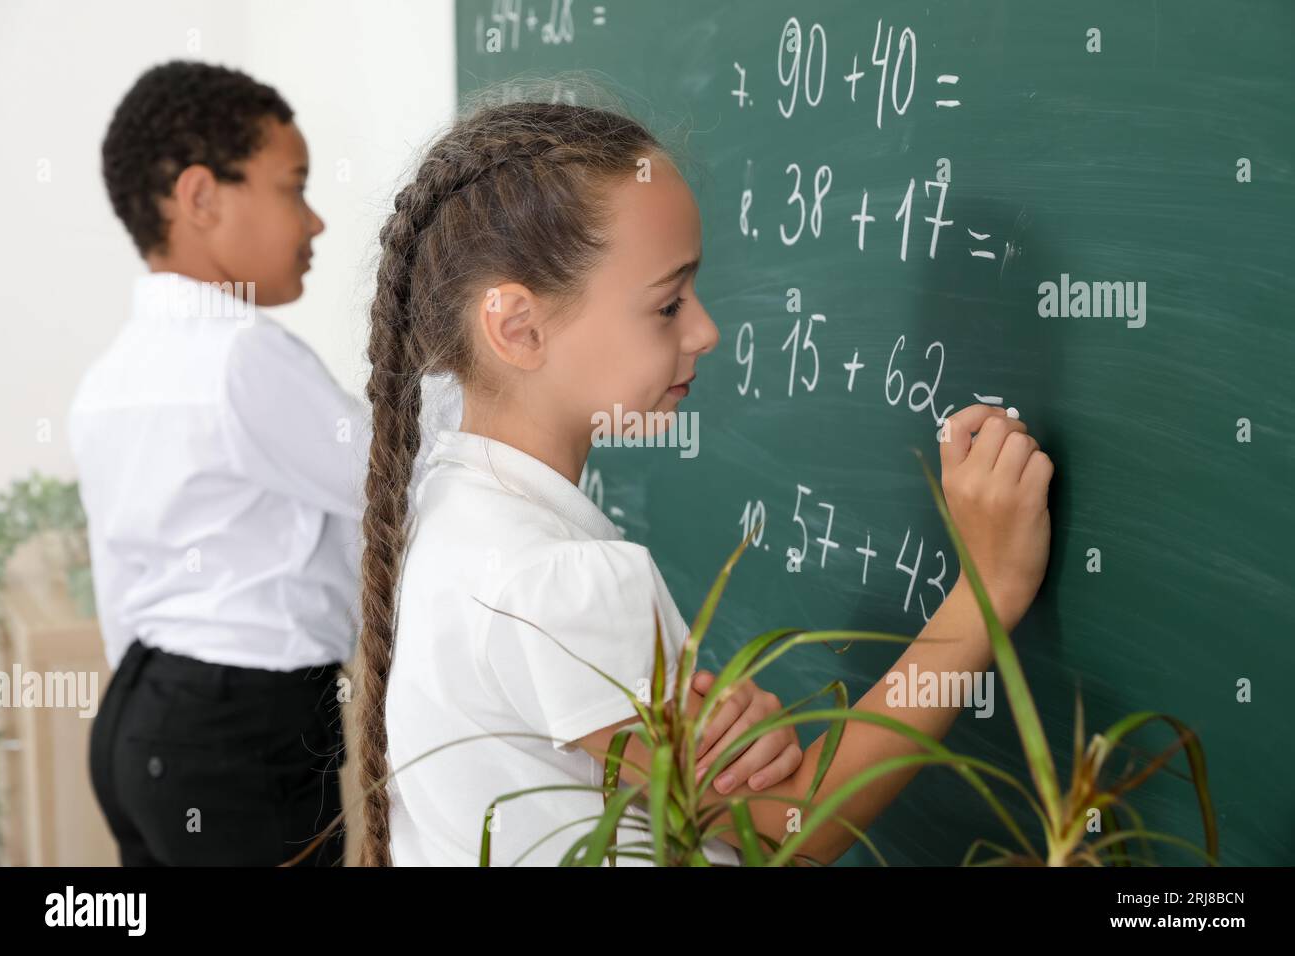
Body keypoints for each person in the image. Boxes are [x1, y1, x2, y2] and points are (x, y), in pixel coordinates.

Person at [356, 98, 1053, 867]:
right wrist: (986, 592)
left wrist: (752, 740)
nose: (706, 331)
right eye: (667, 303)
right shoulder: (559, 579)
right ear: (519, 329)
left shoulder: (444, 507)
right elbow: (793, 829)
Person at [72, 60, 370, 866]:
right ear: (201, 196)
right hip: (242, 731)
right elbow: (390, 478)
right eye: (294, 188)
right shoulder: (242, 356)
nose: (315, 224)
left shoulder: (113, 375)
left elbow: (120, 590)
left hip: (142, 721)